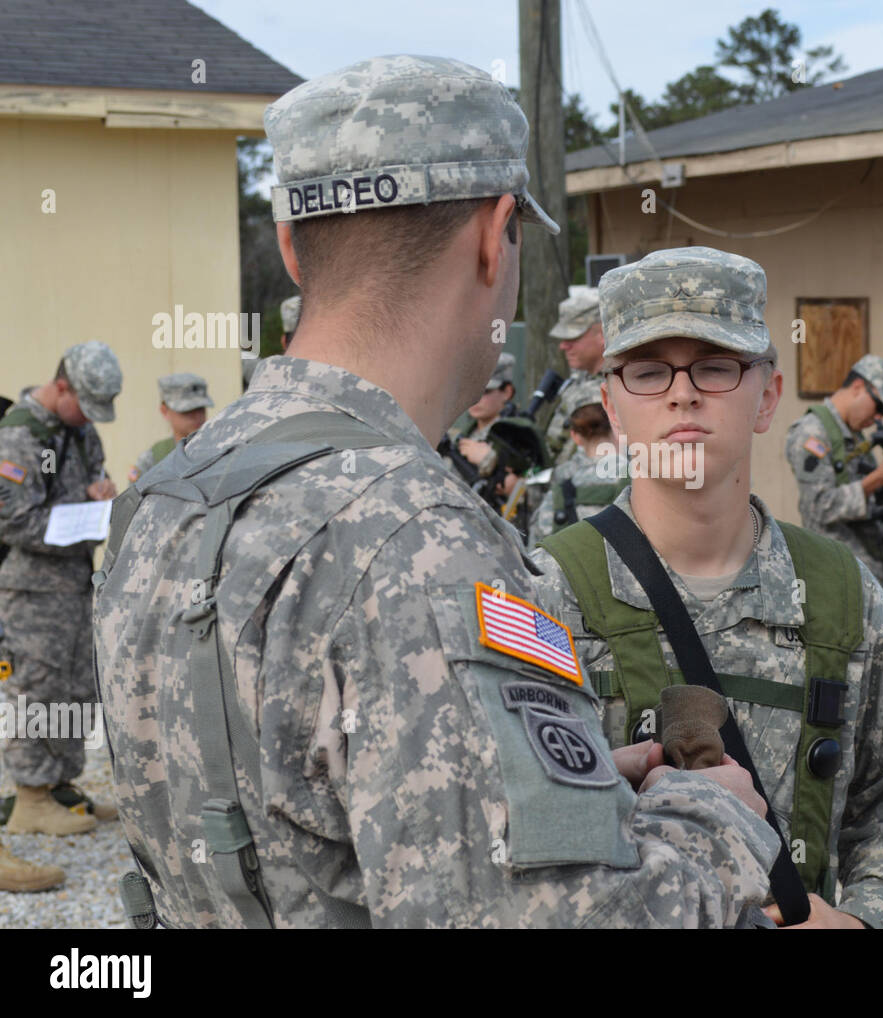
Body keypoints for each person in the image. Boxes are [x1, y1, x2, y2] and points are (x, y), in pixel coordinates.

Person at [92, 55, 779, 929]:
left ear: (296, 248)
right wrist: (711, 823)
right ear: (498, 235)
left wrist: (567, 790)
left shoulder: (163, 497)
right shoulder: (417, 537)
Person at [531, 246, 883, 929]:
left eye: (716, 365)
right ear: (611, 407)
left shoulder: (843, 595)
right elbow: (509, 835)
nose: (682, 392)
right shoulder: (544, 595)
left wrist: (863, 921)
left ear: (768, 398)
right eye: (647, 371)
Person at [0, 341, 121, 842]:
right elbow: (13, 520)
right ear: (62, 387)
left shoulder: (80, 430)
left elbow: (97, 475)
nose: (88, 420)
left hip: (75, 584)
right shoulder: (17, 437)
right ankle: (29, 799)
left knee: (76, 687)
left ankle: (62, 787)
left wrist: (101, 492)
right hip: (29, 591)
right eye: (84, 406)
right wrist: (83, 516)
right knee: (33, 688)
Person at [784, 355, 883, 587]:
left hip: (866, 574)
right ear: (858, 387)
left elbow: (873, 505)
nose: (878, 418)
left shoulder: (853, 436)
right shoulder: (812, 433)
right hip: (835, 578)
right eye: (879, 407)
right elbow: (818, 508)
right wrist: (875, 481)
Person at [526, 375, 620, 550]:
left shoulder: (556, 485)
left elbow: (535, 556)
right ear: (617, 424)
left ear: (575, 436)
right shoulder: (647, 476)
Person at [545, 287, 603, 465]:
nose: (563, 346)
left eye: (572, 337)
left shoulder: (623, 386)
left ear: (602, 333)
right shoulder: (579, 381)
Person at [126, 373, 214, 483]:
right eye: (186, 411)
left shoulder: (221, 450)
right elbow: (135, 497)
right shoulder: (154, 459)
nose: (196, 416)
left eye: (200, 409)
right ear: (165, 411)